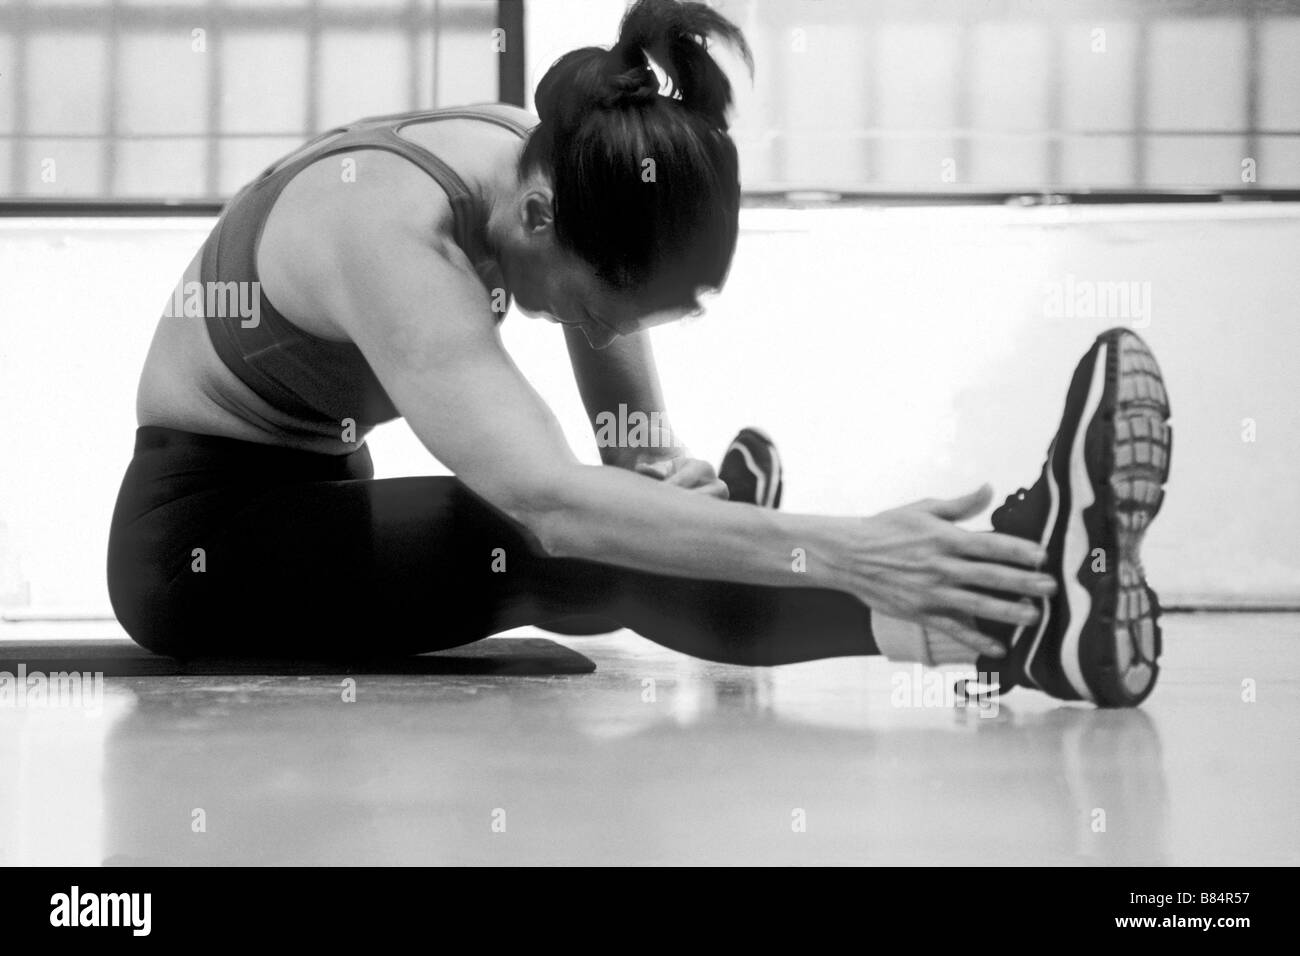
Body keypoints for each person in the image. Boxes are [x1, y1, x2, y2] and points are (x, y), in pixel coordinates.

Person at [106, 0, 1171, 707]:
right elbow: (554, 501)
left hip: (318, 495)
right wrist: (837, 545)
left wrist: (666, 482)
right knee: (551, 542)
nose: (607, 335)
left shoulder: (550, 172)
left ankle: (1007, 587)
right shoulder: (388, 229)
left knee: (624, 524)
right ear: (536, 217)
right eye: (605, 311)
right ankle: (1012, 620)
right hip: (199, 544)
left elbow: (616, 459)